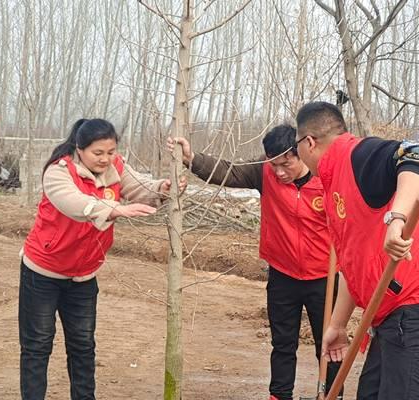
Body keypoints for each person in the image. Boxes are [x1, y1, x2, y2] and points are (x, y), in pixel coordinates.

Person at [294, 101, 419, 399]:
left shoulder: (357, 156)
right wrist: (338, 324)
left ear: (308, 142)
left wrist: (397, 219)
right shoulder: (333, 185)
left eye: (296, 148)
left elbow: (416, 156)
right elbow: (353, 265)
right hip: (389, 314)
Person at [166, 124, 343, 400]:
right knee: (283, 343)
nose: (280, 172)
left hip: (324, 277)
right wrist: (192, 158)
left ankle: (332, 394)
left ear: (303, 154)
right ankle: (280, 395)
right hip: (283, 275)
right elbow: (228, 171)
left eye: (286, 164)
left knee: (329, 343)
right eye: (274, 165)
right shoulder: (264, 173)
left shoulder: (328, 178)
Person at [19, 118, 186, 400]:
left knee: (83, 346)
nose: (106, 159)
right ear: (80, 148)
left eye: (111, 152)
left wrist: (164, 188)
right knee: (38, 345)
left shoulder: (116, 167)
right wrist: (115, 209)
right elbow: (74, 204)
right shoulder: (58, 172)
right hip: (43, 273)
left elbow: (140, 187)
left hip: (84, 275)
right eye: (98, 153)